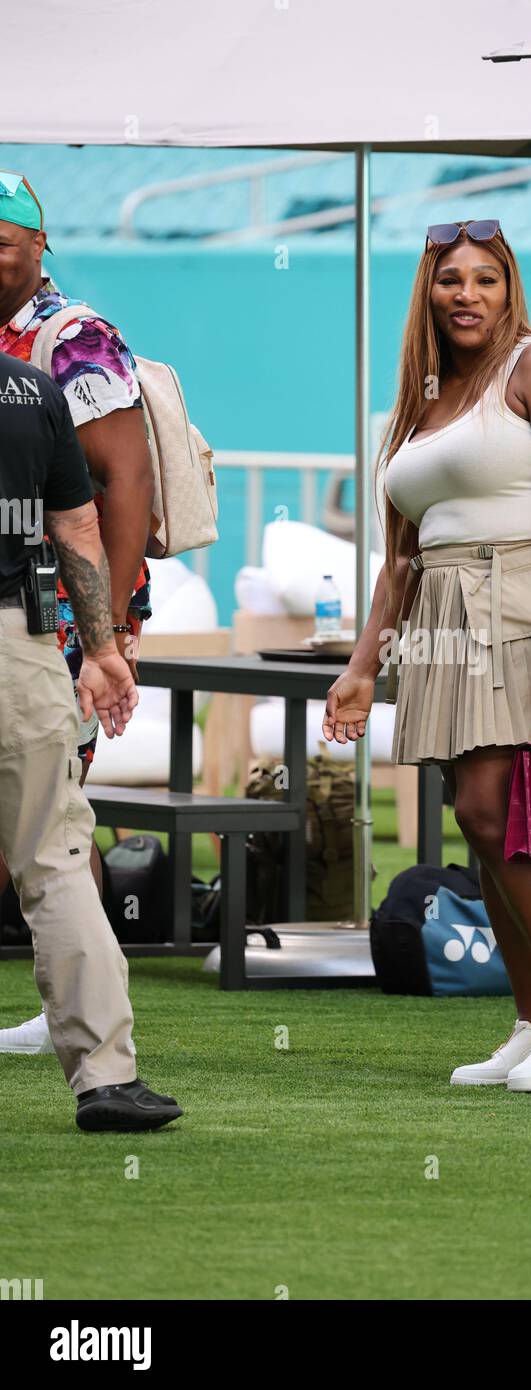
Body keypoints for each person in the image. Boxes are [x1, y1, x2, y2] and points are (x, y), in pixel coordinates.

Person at [322, 217, 531, 1094]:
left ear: (510, 291)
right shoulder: (417, 402)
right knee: (480, 821)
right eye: (450, 279)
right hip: (440, 616)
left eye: (486, 279)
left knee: (494, 807)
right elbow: (399, 555)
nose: (467, 294)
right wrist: (363, 666)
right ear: (426, 292)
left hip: (526, 603)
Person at [0, 345, 181, 1130]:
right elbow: (77, 526)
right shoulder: (32, 389)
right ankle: (106, 1078)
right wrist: (103, 649)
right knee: (56, 860)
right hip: (20, 645)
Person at [0, 170, 153, 1056]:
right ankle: (66, 1002)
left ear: (40, 243)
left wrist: (113, 631)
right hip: (21, 601)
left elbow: (120, 480)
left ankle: (84, 1017)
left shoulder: (76, 339)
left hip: (64, 607)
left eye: (3, 238)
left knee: (56, 808)